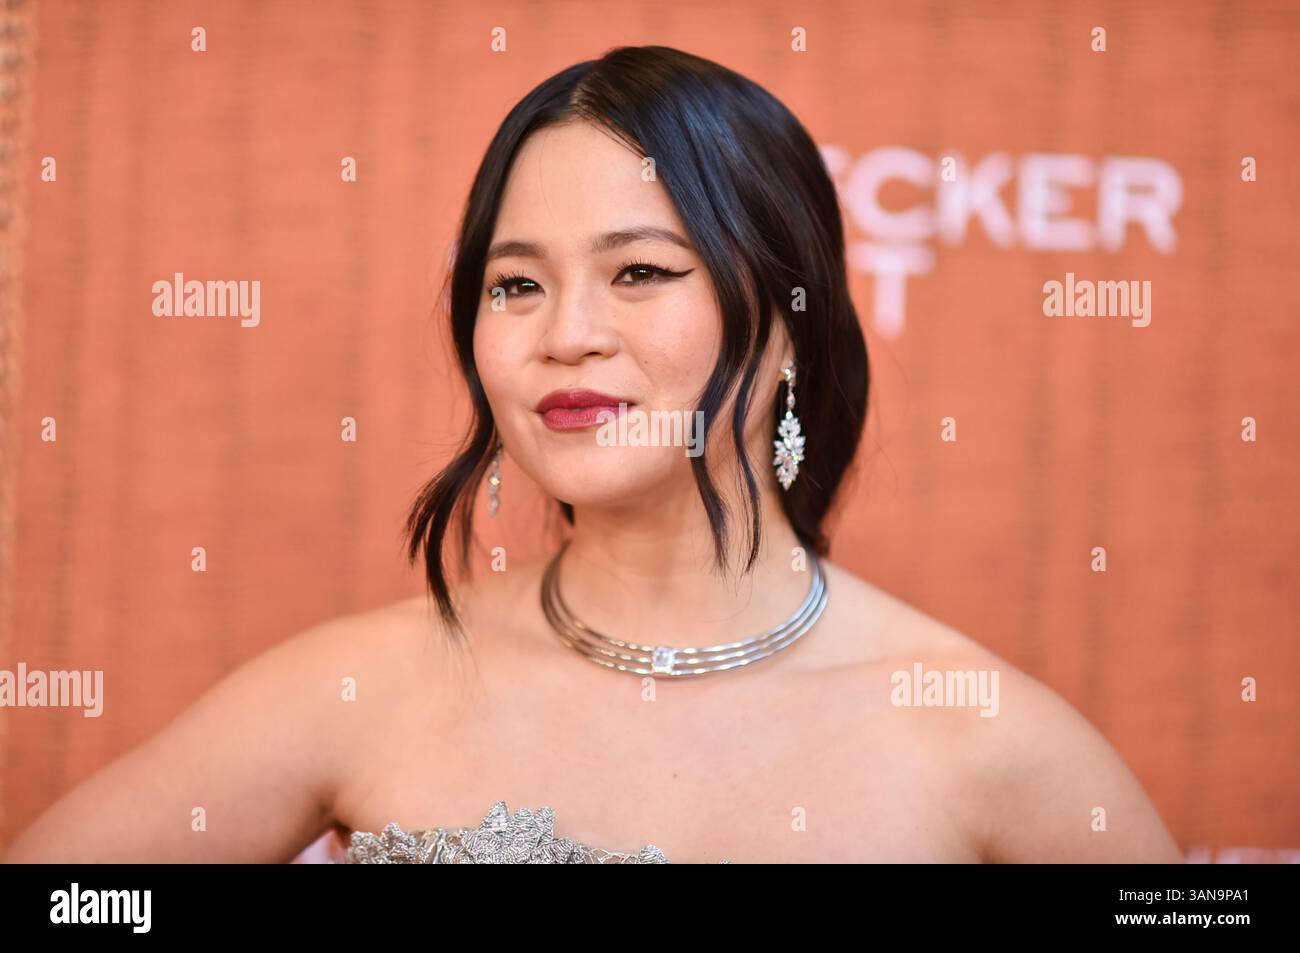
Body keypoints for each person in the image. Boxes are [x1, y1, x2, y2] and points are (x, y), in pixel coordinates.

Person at [2, 45, 1183, 864]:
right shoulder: (364, 684)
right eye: (515, 283)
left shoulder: (986, 737)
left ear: (787, 324)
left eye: (640, 272)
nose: (563, 334)